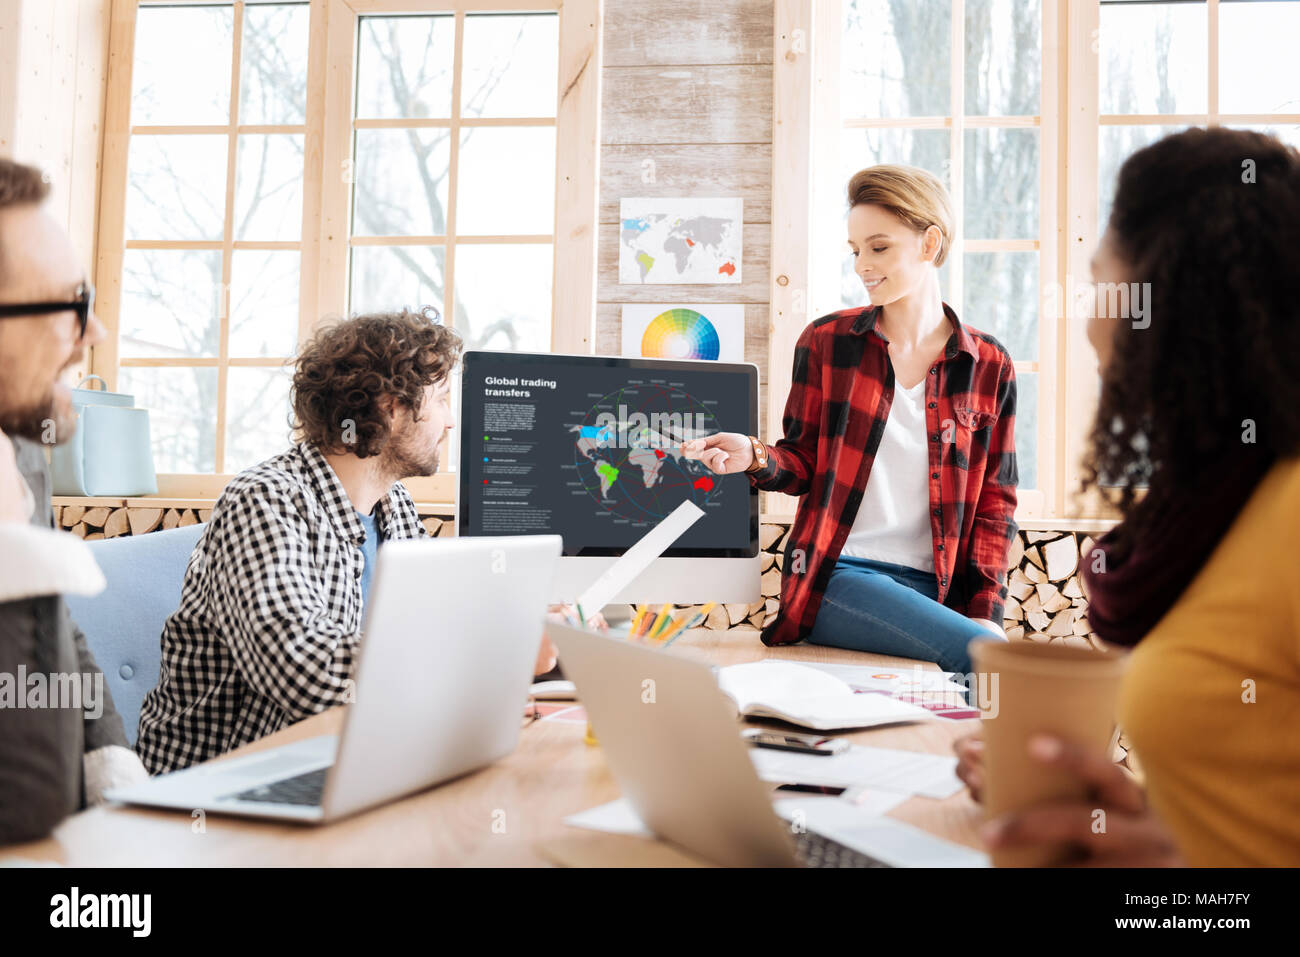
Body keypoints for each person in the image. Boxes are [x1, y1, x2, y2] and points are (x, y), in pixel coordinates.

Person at [956, 127, 1300, 866]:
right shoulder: (1221, 502)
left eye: (1094, 283)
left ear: (1163, 303)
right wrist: (1135, 821)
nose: (1086, 326)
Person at [137, 310, 581, 774]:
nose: (450, 423)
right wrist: (492, 646)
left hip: (345, 760)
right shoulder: (266, 500)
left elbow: (427, 630)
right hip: (223, 786)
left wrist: (523, 626)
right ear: (391, 406)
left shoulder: (396, 507)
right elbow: (302, 670)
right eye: (444, 399)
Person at [683, 164, 1017, 675]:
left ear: (930, 244)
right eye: (856, 249)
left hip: (938, 589)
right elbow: (801, 463)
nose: (862, 265)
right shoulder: (826, 342)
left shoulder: (989, 365)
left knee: (979, 678)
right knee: (993, 664)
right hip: (839, 577)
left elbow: (996, 503)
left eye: (879, 247)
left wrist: (986, 613)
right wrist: (754, 455)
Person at [0, 157, 146, 844]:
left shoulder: (23, 446)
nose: (96, 333)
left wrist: (116, 777)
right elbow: (23, 798)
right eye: (75, 304)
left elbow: (62, 630)